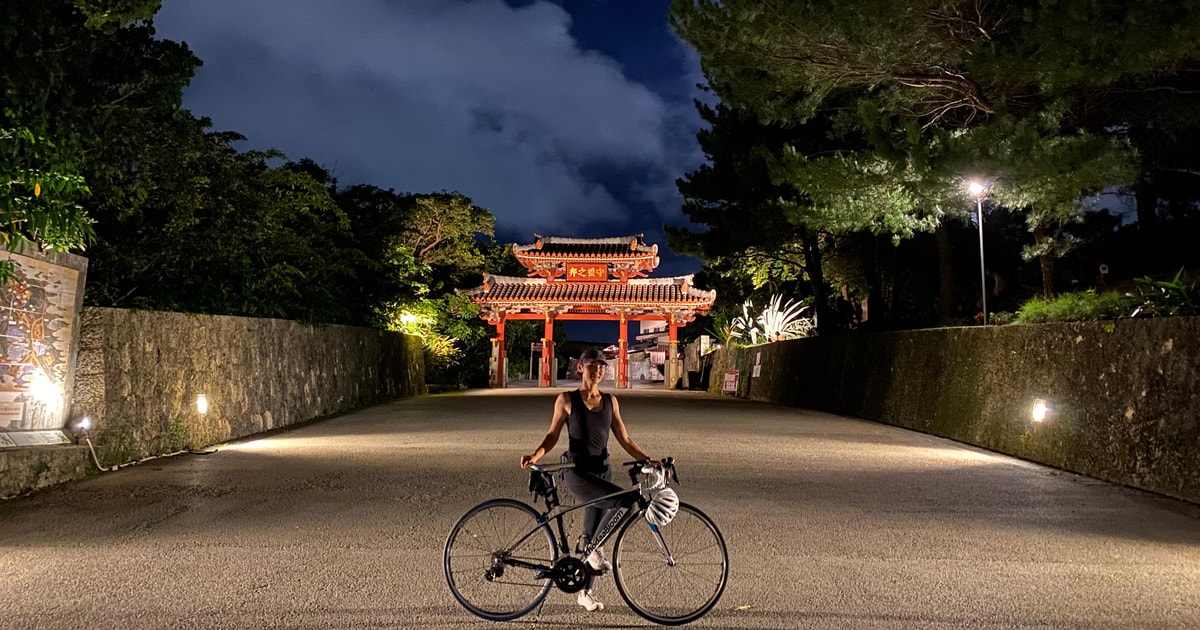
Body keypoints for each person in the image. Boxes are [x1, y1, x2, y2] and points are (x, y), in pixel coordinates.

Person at [520, 347, 654, 613]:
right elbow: (552, 434)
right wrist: (536, 454)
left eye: (602, 366)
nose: (598, 370)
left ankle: (585, 592)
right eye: (592, 365)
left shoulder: (611, 401)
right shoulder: (567, 399)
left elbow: (624, 438)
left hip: (602, 470)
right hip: (577, 472)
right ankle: (591, 551)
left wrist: (648, 459)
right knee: (625, 502)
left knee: (594, 537)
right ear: (580, 368)